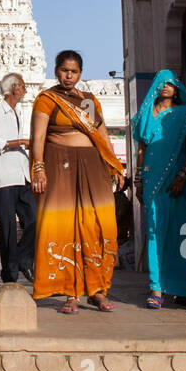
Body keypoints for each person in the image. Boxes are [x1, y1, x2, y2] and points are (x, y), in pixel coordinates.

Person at [30, 50, 125, 313]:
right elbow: (38, 138)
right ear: (56, 70)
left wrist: (115, 165)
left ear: (80, 73)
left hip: (93, 168)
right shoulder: (47, 99)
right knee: (65, 226)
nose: (68, 76)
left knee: (97, 225)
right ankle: (70, 293)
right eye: (64, 70)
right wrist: (38, 168)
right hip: (60, 166)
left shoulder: (89, 101)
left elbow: (102, 135)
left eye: (73, 72)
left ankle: (97, 289)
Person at [132, 70, 186, 308]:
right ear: (156, 87)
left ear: (177, 88)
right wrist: (138, 180)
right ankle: (156, 288)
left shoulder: (185, 114)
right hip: (152, 180)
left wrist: (183, 175)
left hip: (177, 183)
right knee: (154, 232)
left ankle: (185, 287)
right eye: (162, 83)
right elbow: (141, 150)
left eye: (172, 83)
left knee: (184, 232)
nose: (167, 87)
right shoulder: (146, 115)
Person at [0, 73, 36, 284]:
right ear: (14, 88)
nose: (25, 91)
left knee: (35, 219)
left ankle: (22, 258)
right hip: (2, 177)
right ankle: (10, 276)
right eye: (23, 87)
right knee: (6, 230)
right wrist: (22, 141)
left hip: (22, 176)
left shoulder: (20, 112)